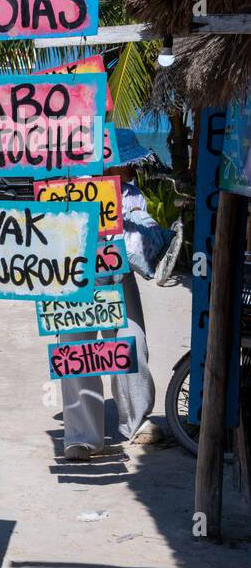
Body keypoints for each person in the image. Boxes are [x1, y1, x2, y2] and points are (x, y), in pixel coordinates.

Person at [60, 161, 176, 460]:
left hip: (118, 275)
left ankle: (136, 422)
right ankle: (82, 436)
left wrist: (142, 232)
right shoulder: (67, 185)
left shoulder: (130, 193)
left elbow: (145, 227)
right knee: (76, 350)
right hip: (75, 277)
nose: (128, 169)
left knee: (131, 344)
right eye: (124, 165)